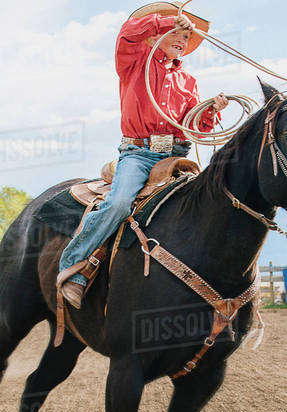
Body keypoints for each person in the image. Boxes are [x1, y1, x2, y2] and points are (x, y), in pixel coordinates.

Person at [59, 1, 230, 308]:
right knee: (120, 203)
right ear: (154, 36)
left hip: (177, 155)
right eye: (175, 32)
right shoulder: (134, 61)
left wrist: (210, 111)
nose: (183, 38)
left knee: (209, 205)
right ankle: (75, 268)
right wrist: (169, 20)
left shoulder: (188, 82)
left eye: (186, 36)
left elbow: (193, 129)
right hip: (138, 154)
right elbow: (128, 33)